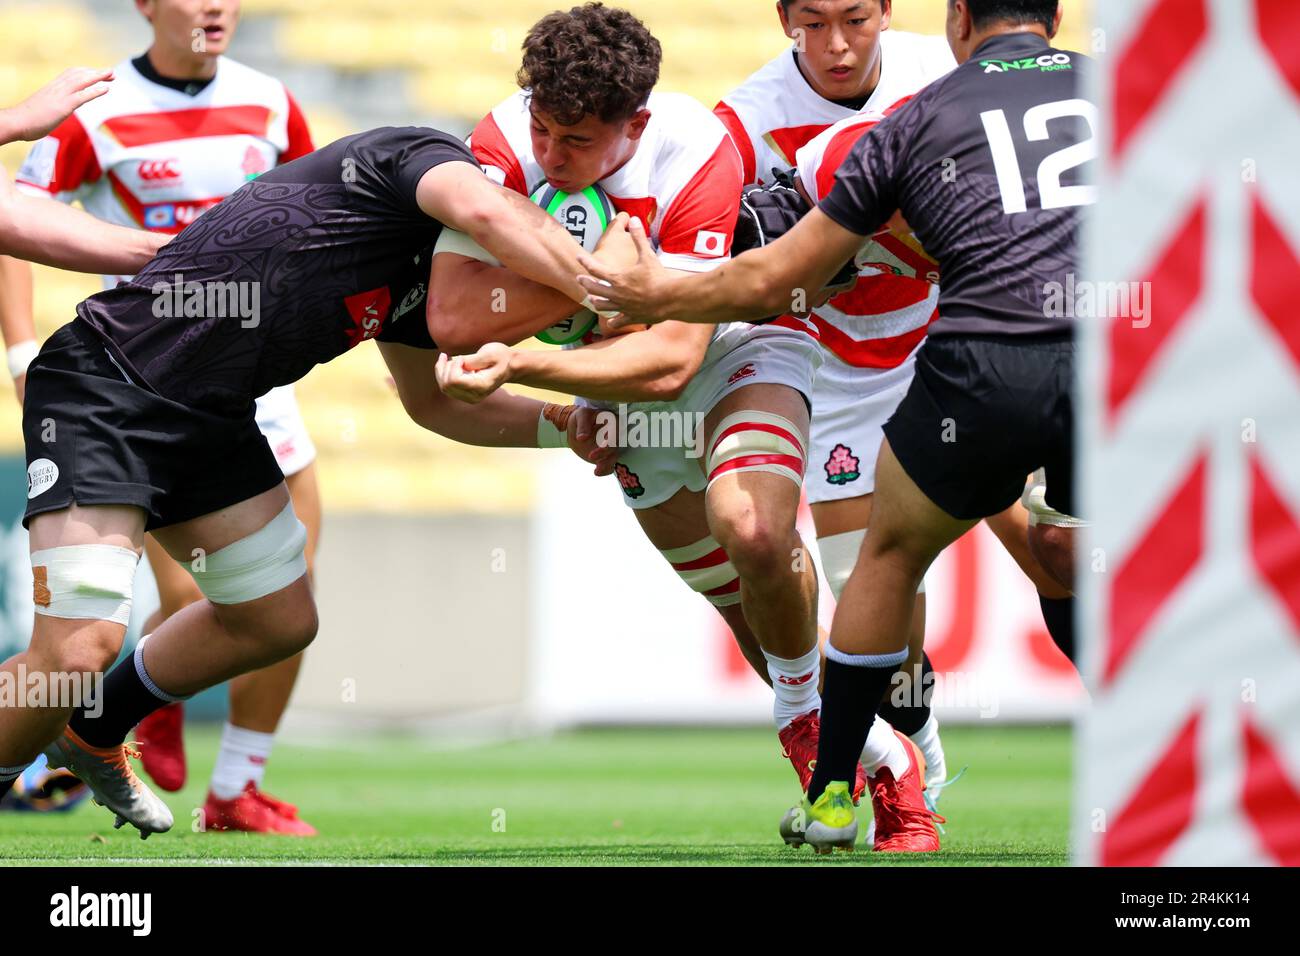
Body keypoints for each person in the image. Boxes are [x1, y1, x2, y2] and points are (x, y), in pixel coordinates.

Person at [0, 122, 619, 837]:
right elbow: (482, 208)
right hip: (109, 380)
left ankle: (94, 728)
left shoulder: (432, 286)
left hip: (210, 417)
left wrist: (562, 424)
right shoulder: (423, 162)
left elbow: (432, 404)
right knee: (76, 650)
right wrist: (613, 284)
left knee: (278, 618)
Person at [578, 0, 1092, 852]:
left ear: (897, 13)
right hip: (843, 371)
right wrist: (615, 371)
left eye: (855, 18)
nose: (838, 43)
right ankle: (916, 762)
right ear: (785, 21)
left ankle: (872, 782)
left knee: (1048, 554)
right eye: (813, 23)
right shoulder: (744, 120)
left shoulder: (943, 80)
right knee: (885, 608)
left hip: (953, 341)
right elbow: (723, 252)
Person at [433, 3, 963, 826]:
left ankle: (840, 744)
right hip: (612, 386)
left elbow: (676, 355)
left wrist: (532, 355)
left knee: (752, 529)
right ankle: (868, 748)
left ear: (634, 124)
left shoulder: (699, 148)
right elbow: (455, 317)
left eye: (577, 143)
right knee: (752, 616)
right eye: (543, 130)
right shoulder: (498, 143)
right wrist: (592, 284)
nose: (550, 156)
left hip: (744, 349)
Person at [2, 0, 326, 835]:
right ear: (145, 4)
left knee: (285, 606)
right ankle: (118, 715)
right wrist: (20, 350)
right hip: (134, 374)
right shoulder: (99, 105)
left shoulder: (270, 99)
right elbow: (16, 216)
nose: (215, 5)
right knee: (93, 641)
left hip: (248, 378)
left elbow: (320, 222)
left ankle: (230, 785)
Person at [0, 69, 168, 276]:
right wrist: (13, 121)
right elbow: (12, 219)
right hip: (153, 303)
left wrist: (192, 251)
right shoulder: (93, 113)